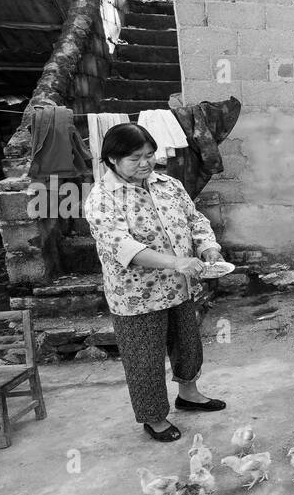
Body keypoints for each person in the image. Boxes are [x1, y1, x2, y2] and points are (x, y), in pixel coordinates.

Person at [83, 123, 227, 442]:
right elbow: (123, 246)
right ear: (112, 160)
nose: (145, 163)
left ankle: (189, 394)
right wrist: (177, 262)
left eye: (149, 155)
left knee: (187, 345)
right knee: (144, 359)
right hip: (137, 296)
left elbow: (194, 219)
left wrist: (208, 247)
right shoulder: (102, 198)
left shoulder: (168, 184)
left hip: (179, 286)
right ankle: (154, 418)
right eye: (135, 158)